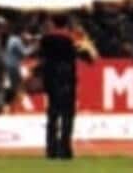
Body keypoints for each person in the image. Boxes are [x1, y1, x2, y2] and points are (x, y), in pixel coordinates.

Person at [36, 14, 94, 160]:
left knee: (52, 115)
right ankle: (65, 149)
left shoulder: (45, 39)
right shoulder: (71, 39)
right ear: (67, 23)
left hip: (51, 80)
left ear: (52, 23)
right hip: (67, 79)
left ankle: (51, 149)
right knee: (67, 116)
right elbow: (89, 58)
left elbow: (40, 57)